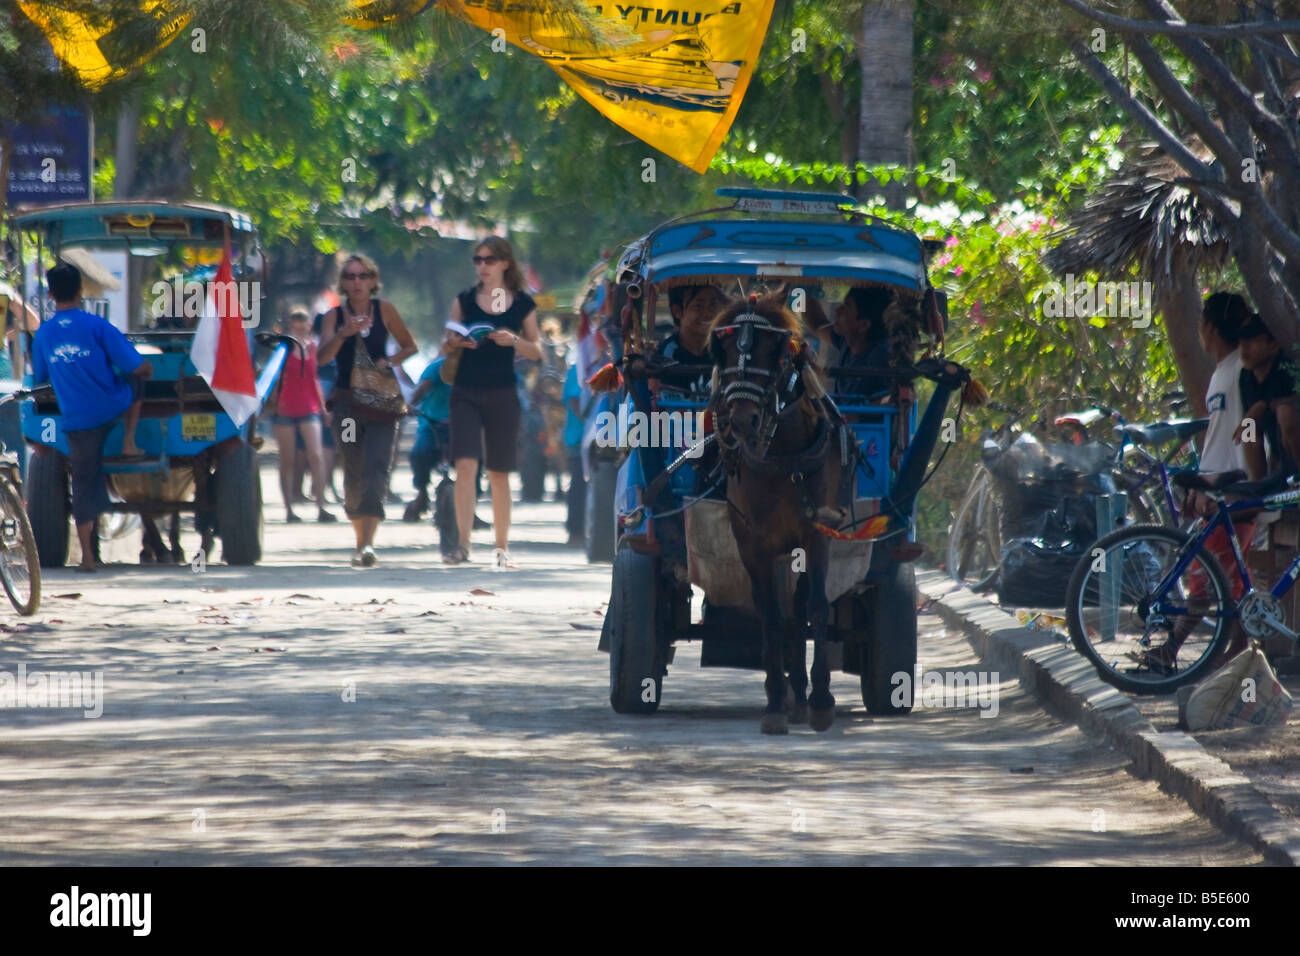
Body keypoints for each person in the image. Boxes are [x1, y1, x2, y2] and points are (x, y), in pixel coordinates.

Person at [1140, 294, 1255, 671]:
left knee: (1214, 580)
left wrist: (1236, 484)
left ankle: (1212, 653)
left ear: (1208, 328)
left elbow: (1247, 434)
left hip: (1236, 489)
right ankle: (1198, 653)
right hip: (1219, 487)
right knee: (1218, 578)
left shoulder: (1241, 371)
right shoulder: (1223, 371)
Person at [30, 263, 153, 572]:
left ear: (49, 294)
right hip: (112, 405)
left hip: (77, 419)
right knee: (138, 380)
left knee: (83, 483)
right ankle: (129, 443)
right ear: (81, 291)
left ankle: (87, 557)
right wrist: (145, 369)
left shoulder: (43, 334)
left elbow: (41, 377)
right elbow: (133, 366)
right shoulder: (98, 326)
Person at [441, 237, 543, 567]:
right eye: (478, 260)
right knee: (465, 465)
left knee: (499, 472)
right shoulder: (465, 300)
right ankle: (462, 545)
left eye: (489, 259)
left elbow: (537, 351)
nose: (482, 266)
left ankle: (501, 547)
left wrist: (513, 340)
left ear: (504, 264)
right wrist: (456, 343)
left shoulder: (522, 303)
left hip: (502, 392)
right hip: (465, 391)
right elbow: (447, 344)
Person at [316, 253, 418, 568]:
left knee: (377, 469)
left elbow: (409, 345)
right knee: (353, 466)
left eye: (363, 276)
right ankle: (359, 540)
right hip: (347, 406)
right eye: (351, 276)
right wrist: (344, 334)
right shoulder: (334, 316)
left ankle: (369, 542)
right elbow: (321, 358)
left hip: (382, 407)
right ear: (343, 282)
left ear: (373, 281)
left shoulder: (385, 310)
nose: (357, 282)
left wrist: (391, 361)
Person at [270, 308, 336, 524]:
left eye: (303, 325)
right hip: (285, 409)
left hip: (309, 408)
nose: (299, 329)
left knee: (316, 456)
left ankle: (321, 506)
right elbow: (274, 377)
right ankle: (289, 509)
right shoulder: (282, 348)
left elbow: (314, 378)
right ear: (290, 326)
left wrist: (323, 408)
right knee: (287, 461)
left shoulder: (313, 348)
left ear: (308, 326)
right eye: (295, 325)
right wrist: (272, 403)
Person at [404, 353, 452, 523]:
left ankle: (471, 505)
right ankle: (422, 493)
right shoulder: (437, 367)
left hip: (461, 426)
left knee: (475, 459)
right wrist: (410, 404)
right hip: (432, 425)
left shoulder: (473, 369)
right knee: (420, 454)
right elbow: (422, 388)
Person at [562, 359, 586, 547]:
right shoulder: (578, 369)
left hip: (603, 436)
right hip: (579, 438)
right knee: (578, 485)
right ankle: (575, 531)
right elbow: (575, 400)